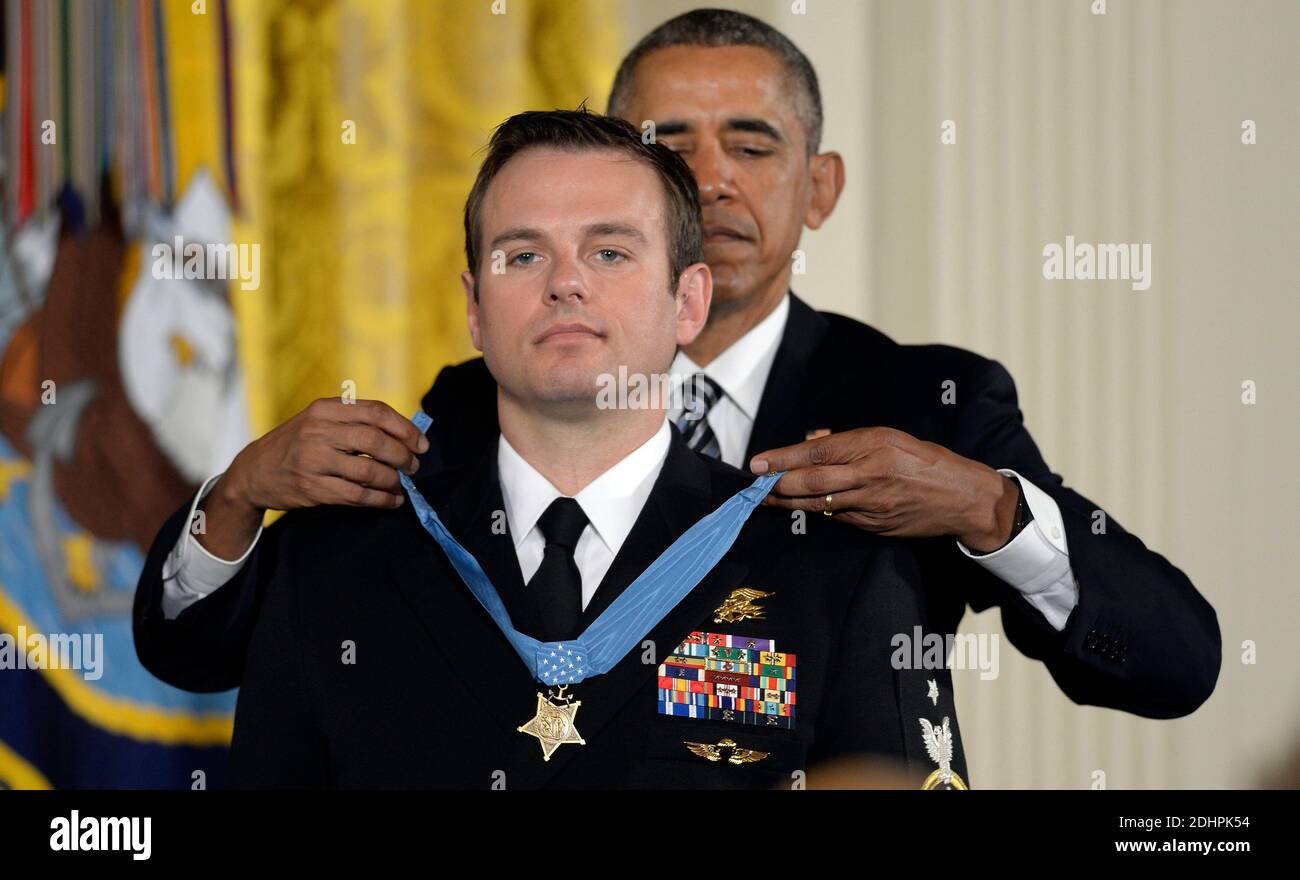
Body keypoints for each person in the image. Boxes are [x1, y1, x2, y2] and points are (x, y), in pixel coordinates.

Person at [135, 9, 1218, 719]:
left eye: (752, 144)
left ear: (821, 186)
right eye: (666, 148)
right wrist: (235, 498)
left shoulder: (920, 400)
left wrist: (989, 509)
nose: (708, 180)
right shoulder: (477, 402)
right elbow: (199, 656)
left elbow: (1176, 664)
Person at [224, 109, 963, 789]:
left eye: (610, 252)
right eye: (522, 256)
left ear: (689, 302)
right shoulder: (328, 563)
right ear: (475, 308)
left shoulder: (836, 567)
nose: (566, 284)